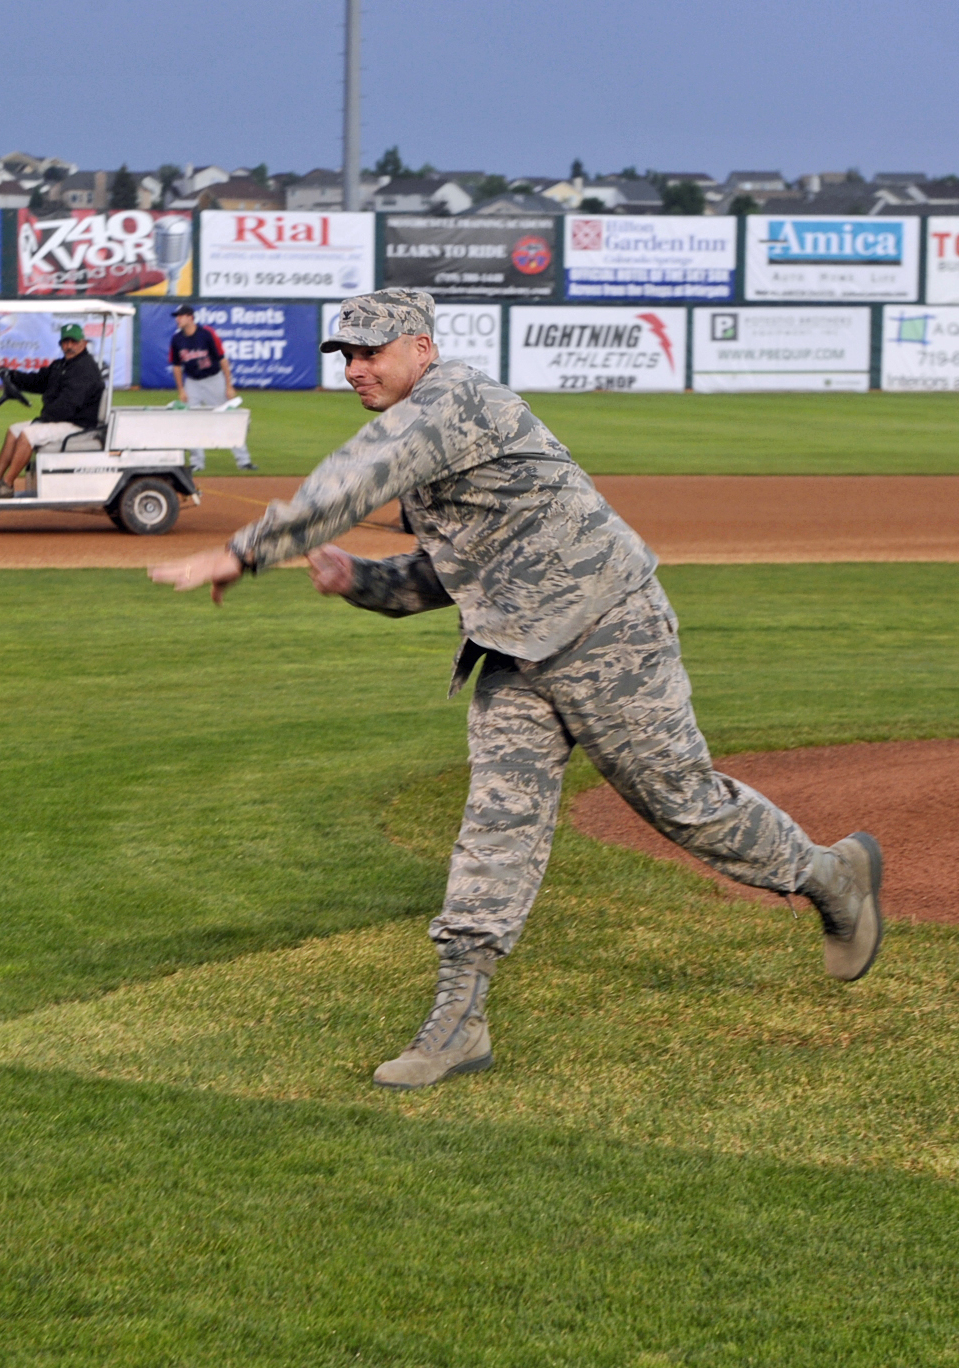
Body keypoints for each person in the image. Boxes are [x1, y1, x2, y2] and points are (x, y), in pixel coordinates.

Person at [149, 289, 883, 1091]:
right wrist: (359, 579)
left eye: (371, 352)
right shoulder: (427, 440)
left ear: (421, 349)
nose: (356, 368)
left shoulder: (453, 401)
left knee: (684, 804)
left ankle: (829, 876)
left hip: (608, 628)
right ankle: (458, 1022)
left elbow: (351, 478)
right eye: (345, 356)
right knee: (496, 826)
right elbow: (456, 569)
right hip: (513, 649)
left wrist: (247, 550)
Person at [0, 324, 104, 499]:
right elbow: (38, 381)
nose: (69, 346)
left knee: (28, 435)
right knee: (14, 430)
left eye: (73, 342)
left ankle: (6, 485)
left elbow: (69, 404)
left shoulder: (85, 369)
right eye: (65, 342)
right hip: (60, 420)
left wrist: (44, 419)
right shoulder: (61, 365)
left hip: (77, 424)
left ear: (83, 343)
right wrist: (11, 375)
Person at [167, 304, 256, 472]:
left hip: (214, 380)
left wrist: (228, 386)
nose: (177, 319)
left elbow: (222, 359)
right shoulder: (177, 339)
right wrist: (181, 389)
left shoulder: (206, 334)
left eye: (180, 316)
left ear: (190, 317)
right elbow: (177, 366)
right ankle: (197, 462)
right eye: (177, 316)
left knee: (227, 418)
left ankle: (244, 460)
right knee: (191, 421)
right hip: (192, 382)